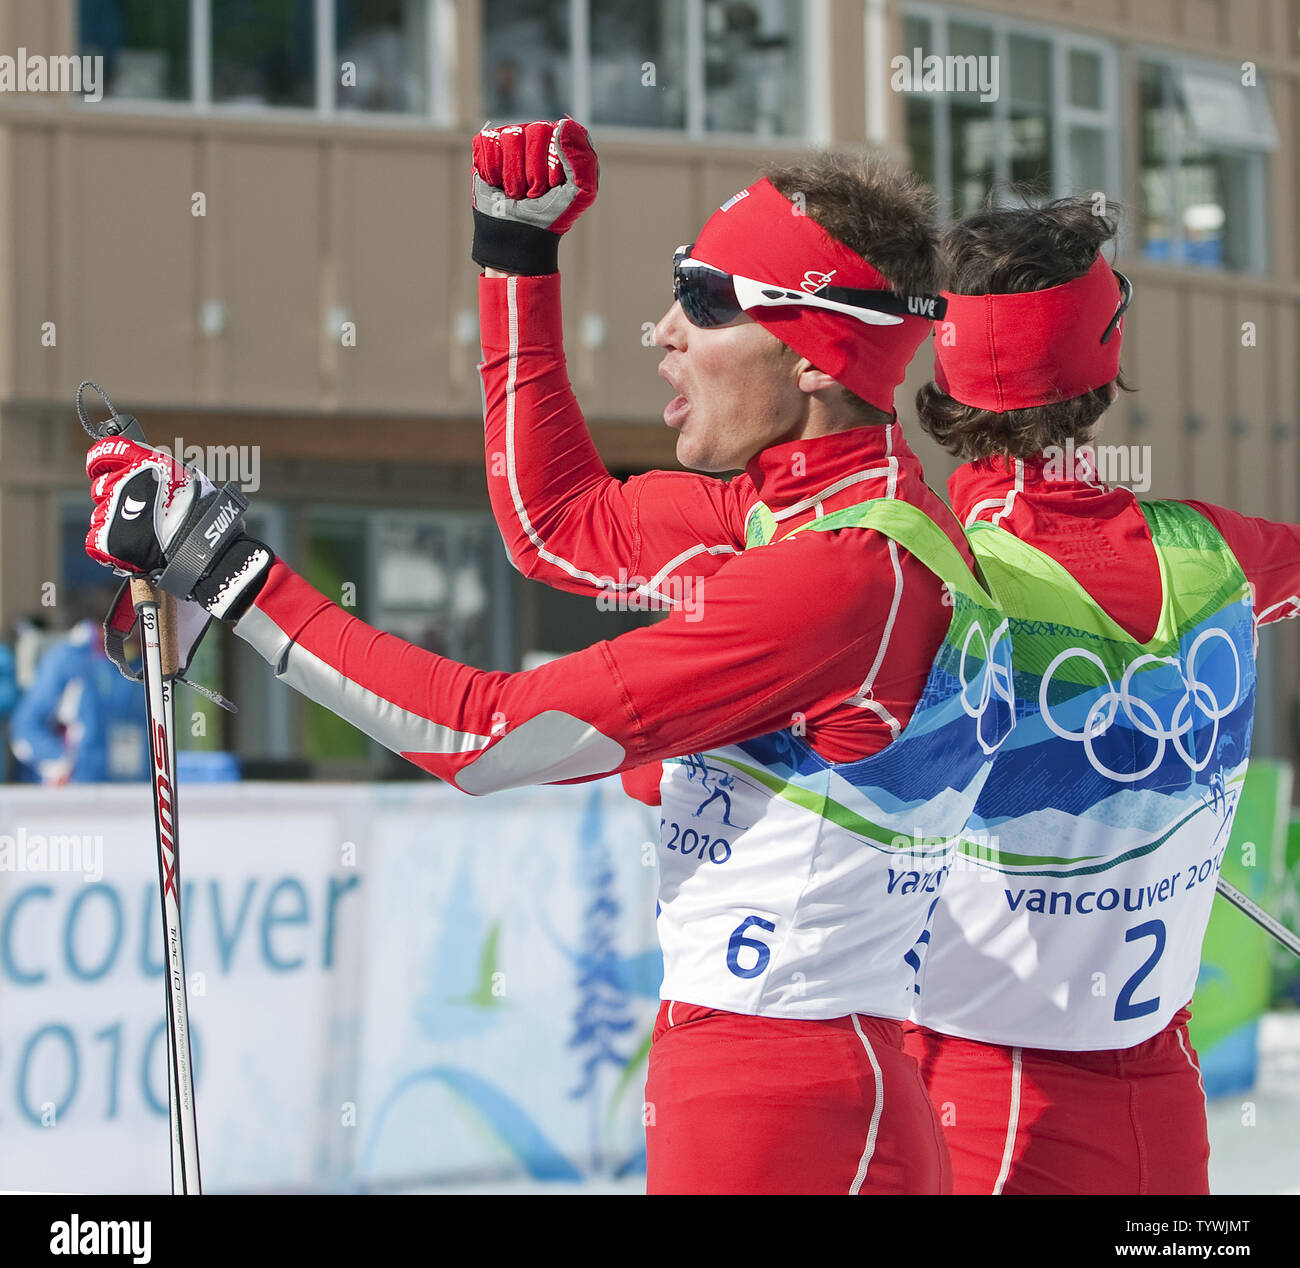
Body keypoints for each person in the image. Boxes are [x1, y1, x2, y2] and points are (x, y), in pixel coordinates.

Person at [84, 119, 1008, 1194]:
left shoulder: (843, 574)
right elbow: (553, 522)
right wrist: (515, 255)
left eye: (707, 301)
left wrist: (227, 569)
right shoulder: (788, 519)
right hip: (770, 1075)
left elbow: (480, 738)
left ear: (813, 353)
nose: (663, 329)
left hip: (792, 1094)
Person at [904, 197, 1300, 1195]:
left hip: (982, 1099)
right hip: (1160, 1104)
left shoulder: (926, 576)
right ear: (1101, 374)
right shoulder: (1220, 550)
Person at [9, 614, 147, 785]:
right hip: (80, 788)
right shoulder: (68, 659)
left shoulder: (144, 662)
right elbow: (25, 727)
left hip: (137, 788)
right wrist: (60, 763)